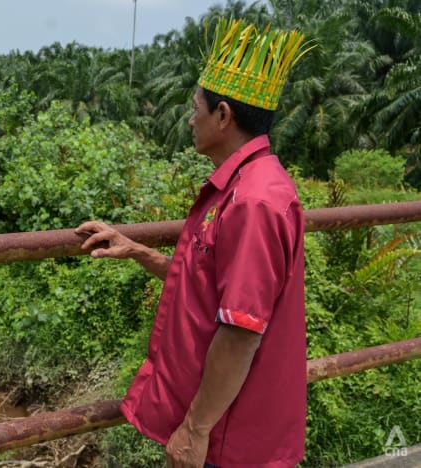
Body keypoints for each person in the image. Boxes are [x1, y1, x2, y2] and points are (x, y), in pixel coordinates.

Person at [76, 19, 313, 468]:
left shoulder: (254, 202)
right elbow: (212, 285)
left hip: (229, 441)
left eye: (195, 108)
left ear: (223, 116)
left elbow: (241, 331)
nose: (190, 119)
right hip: (223, 432)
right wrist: (137, 250)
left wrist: (195, 430)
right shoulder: (243, 187)